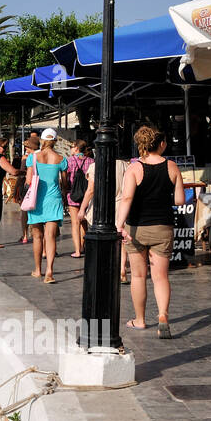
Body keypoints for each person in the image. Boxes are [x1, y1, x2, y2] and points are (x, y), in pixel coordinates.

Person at [115, 126, 185, 337]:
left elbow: (126, 198)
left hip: (137, 228)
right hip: (163, 227)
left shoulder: (134, 169)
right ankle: (163, 314)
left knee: (138, 275)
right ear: (160, 144)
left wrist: (119, 224)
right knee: (161, 277)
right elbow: (180, 200)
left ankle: (140, 319)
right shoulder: (172, 167)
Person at [79, 151, 130, 285]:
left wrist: (82, 208)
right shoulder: (125, 165)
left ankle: (104, 269)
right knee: (121, 239)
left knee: (101, 238)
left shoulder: (95, 167)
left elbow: (91, 190)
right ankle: (122, 270)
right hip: (121, 205)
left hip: (101, 206)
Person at [25, 129, 68, 282]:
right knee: (50, 237)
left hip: (36, 200)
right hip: (54, 199)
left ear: (42, 140)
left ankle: (38, 270)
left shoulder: (33, 157)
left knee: (37, 237)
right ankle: (50, 271)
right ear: (55, 141)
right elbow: (65, 183)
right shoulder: (61, 159)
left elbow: (29, 180)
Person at [65, 140, 93, 258]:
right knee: (84, 222)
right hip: (87, 195)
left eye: (72, 147)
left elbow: (65, 177)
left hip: (73, 194)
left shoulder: (70, 161)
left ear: (76, 148)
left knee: (75, 223)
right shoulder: (91, 161)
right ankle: (83, 246)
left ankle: (77, 250)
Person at [13, 133, 39, 245]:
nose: (25, 148)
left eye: (27, 147)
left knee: (24, 211)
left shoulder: (26, 158)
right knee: (34, 210)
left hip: (26, 185)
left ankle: (24, 235)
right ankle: (34, 233)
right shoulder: (42, 156)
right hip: (37, 185)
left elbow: (23, 174)